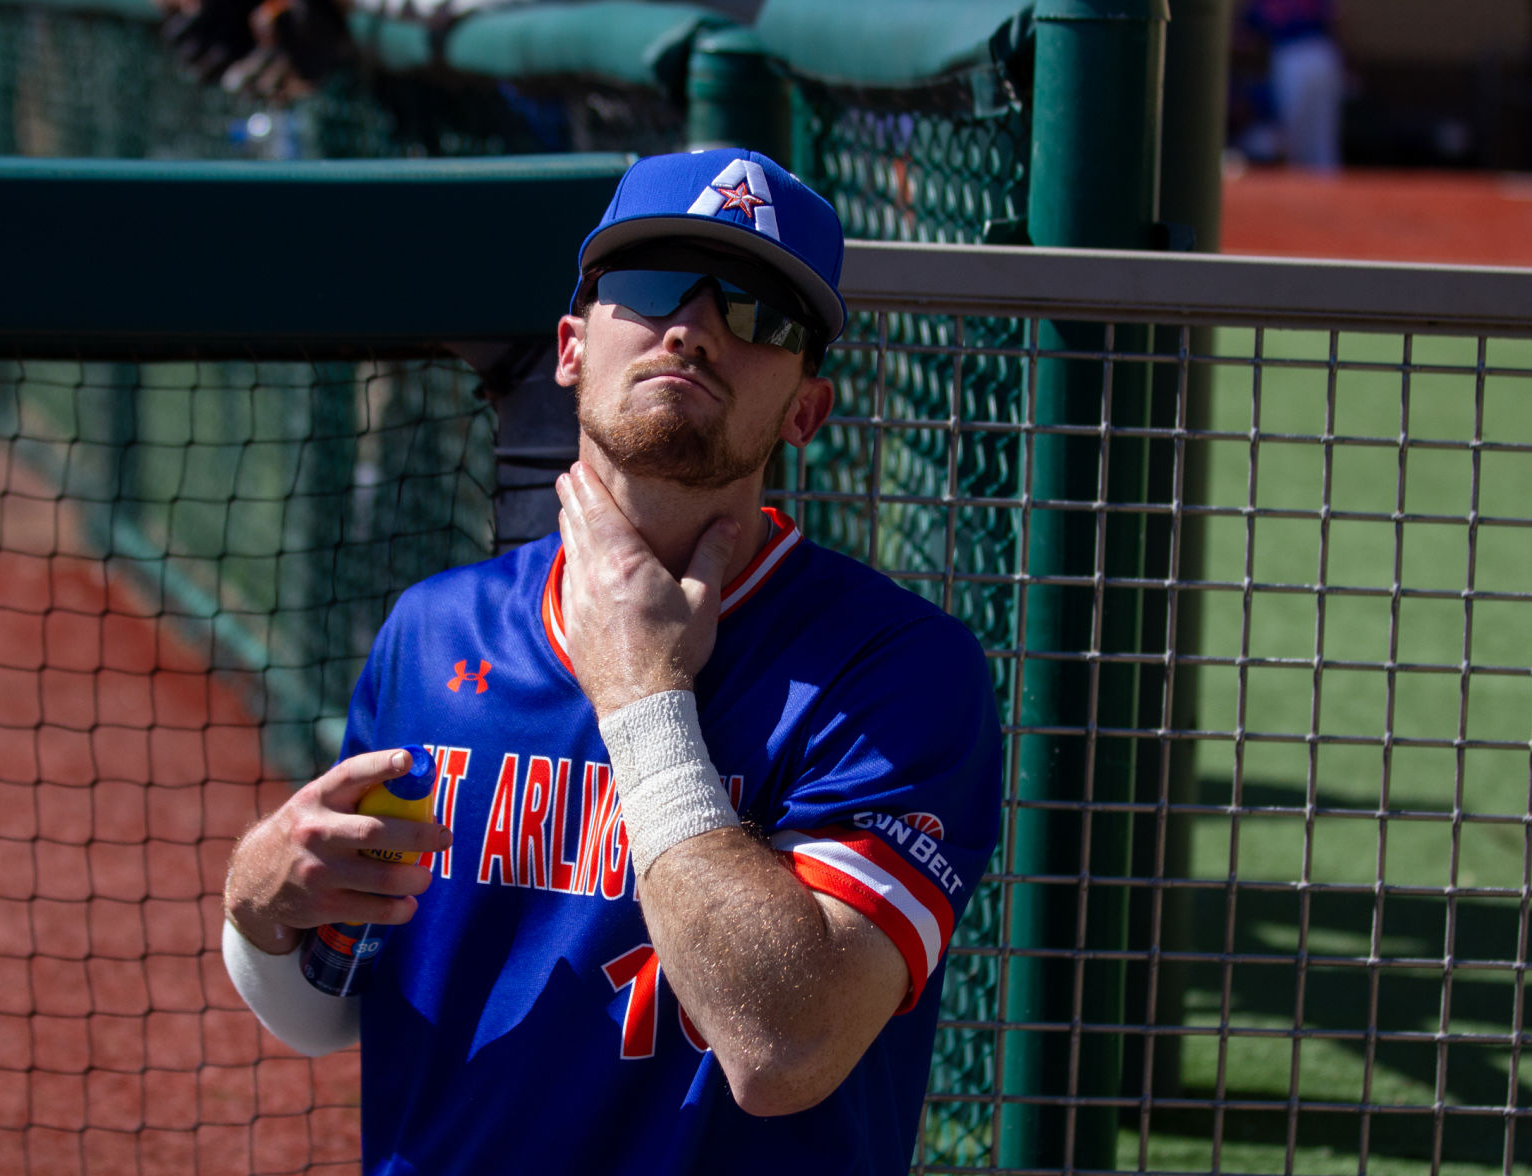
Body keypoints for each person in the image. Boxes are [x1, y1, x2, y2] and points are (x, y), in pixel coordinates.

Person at [219, 147, 1004, 1175]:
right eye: (646, 288)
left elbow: (782, 1047)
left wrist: (643, 693)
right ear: (569, 348)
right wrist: (258, 906)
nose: (693, 328)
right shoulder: (433, 632)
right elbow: (332, 1007)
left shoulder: (894, 670)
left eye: (758, 313)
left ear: (805, 412)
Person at [1240, 0, 1344, 171]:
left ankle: (1327, 178)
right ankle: (1297, 178)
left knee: (1323, 127)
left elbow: (1336, 18)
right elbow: (1246, 33)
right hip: (1289, 53)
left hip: (1320, 49)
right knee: (1293, 123)